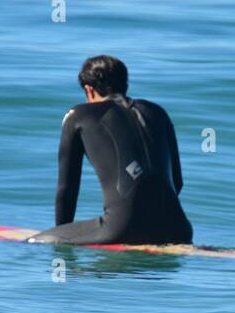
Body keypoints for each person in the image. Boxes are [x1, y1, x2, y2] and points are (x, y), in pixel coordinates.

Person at [29, 55, 192, 246]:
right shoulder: (158, 112)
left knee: (33, 241)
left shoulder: (78, 115)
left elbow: (68, 187)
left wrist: (61, 234)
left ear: (89, 90)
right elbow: (177, 182)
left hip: (120, 230)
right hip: (178, 229)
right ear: (125, 84)